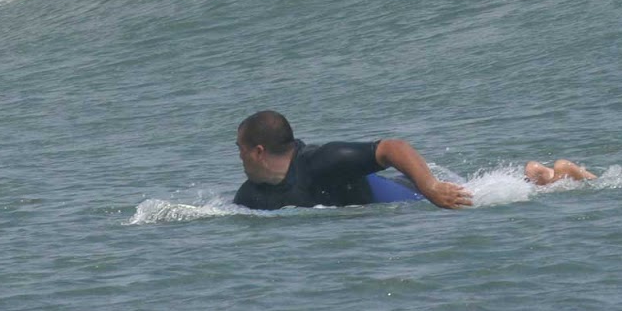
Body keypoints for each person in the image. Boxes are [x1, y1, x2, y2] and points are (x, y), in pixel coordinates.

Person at [232, 110, 595, 211]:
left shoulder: (321, 161)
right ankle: (542, 174)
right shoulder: (251, 195)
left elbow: (392, 148)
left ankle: (554, 177)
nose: (238, 157)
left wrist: (432, 187)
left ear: (259, 151)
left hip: (418, 196)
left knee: (479, 199)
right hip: (408, 197)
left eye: (240, 148)